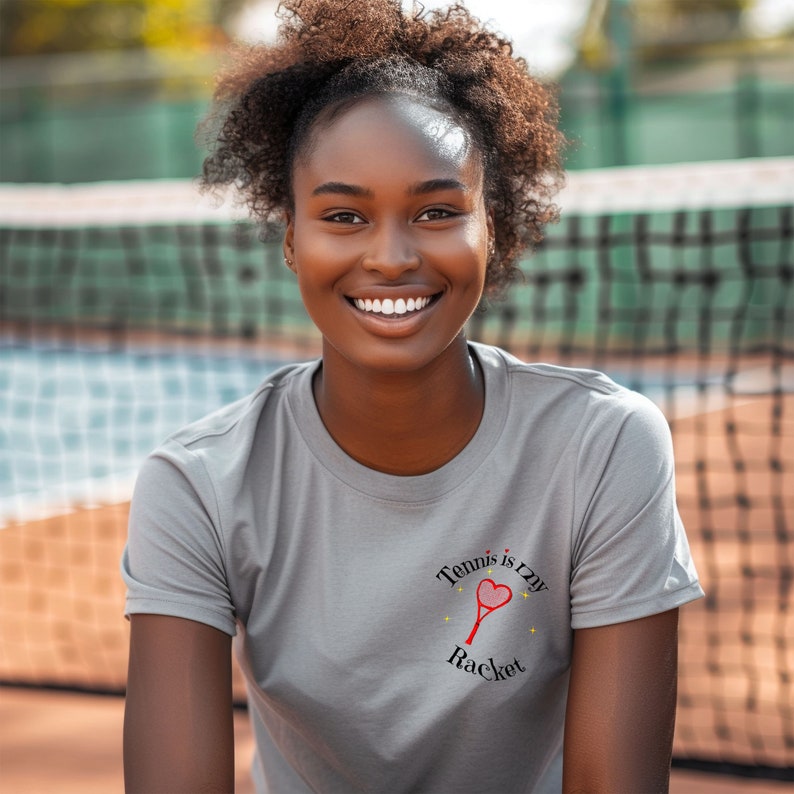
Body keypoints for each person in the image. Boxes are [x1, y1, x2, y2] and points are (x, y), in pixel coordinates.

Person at [121, 1, 704, 792]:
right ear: (292, 236)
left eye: (436, 211)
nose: (390, 256)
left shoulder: (602, 449)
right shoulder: (197, 485)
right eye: (343, 215)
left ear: (491, 225)